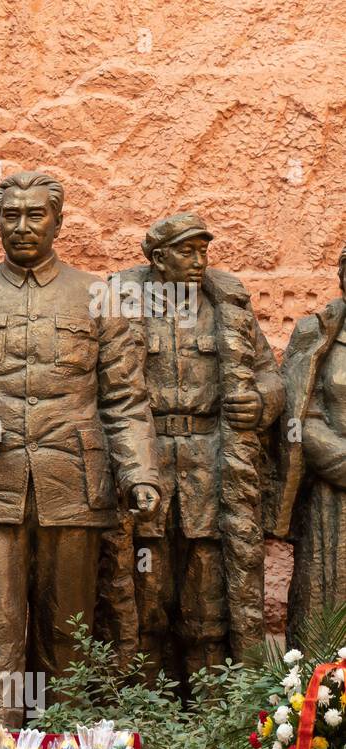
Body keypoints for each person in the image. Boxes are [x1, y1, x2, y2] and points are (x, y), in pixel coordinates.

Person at [0, 171, 159, 725]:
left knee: (66, 633)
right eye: (10, 215)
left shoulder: (97, 297)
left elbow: (124, 398)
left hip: (72, 484)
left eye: (35, 215)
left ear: (58, 221)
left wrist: (139, 474)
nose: (22, 226)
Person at [97, 214, 283, 690]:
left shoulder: (227, 308)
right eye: (186, 252)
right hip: (147, 458)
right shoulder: (121, 307)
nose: (199, 261)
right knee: (145, 591)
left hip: (210, 467)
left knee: (208, 599)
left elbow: (271, 376)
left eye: (203, 251)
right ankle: (144, 709)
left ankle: (213, 713)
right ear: (157, 259)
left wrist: (259, 402)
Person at [274, 243, 346, 643]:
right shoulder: (316, 333)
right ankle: (319, 698)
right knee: (329, 593)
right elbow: (301, 413)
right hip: (332, 493)